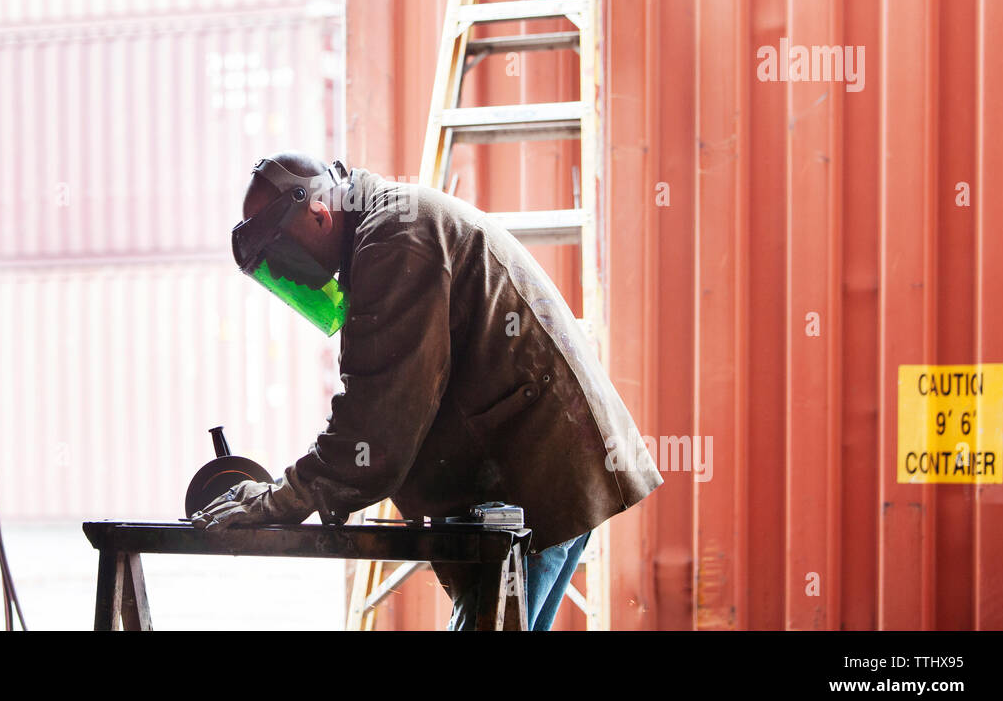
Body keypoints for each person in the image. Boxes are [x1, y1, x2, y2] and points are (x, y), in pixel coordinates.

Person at [191, 152, 664, 630]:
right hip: (539, 476)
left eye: (285, 258)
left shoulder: (396, 239)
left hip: (532, 483)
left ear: (319, 213)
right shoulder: (382, 229)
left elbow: (377, 424)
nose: (290, 276)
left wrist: (282, 498)